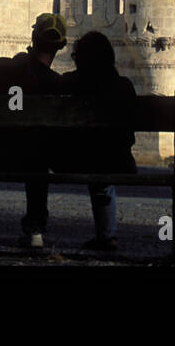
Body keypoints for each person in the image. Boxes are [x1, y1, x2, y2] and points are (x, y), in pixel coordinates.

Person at [0, 13, 67, 248]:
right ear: (61, 47)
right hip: (31, 159)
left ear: (32, 37)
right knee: (39, 155)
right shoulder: (54, 83)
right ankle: (35, 229)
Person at [58, 31, 137, 251]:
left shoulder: (72, 83)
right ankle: (106, 236)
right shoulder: (124, 86)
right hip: (119, 161)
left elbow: (52, 84)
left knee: (95, 159)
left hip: (76, 161)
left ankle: (34, 229)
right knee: (104, 164)